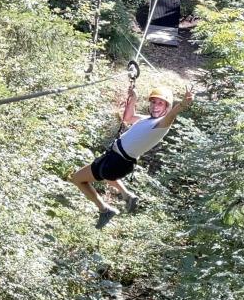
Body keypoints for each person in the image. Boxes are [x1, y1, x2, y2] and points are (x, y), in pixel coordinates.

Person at [70, 84, 193, 229]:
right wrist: (133, 98)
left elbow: (172, 115)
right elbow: (128, 118)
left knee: (79, 179)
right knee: (82, 177)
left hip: (117, 162)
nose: (155, 106)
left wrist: (183, 104)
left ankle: (106, 209)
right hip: (114, 158)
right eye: (153, 102)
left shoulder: (162, 124)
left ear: (167, 107)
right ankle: (125, 195)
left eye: (160, 103)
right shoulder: (146, 119)